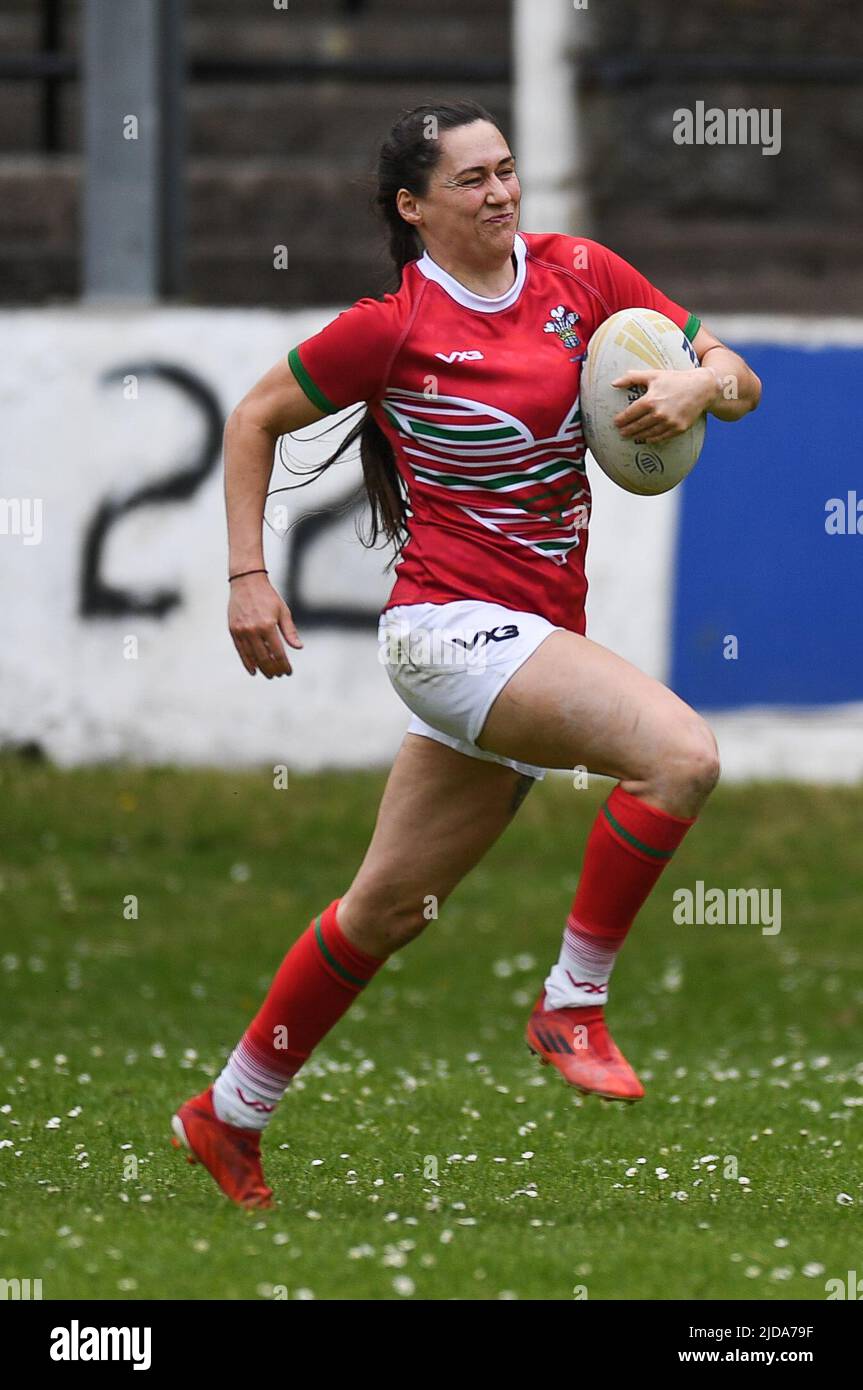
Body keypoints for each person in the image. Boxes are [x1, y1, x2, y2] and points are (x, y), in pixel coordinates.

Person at [171, 100, 762, 1208]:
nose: (500, 193)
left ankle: (228, 1111)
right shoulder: (389, 325)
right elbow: (252, 418)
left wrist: (699, 382)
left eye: (506, 171)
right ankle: (570, 1005)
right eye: (470, 181)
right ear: (412, 207)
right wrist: (247, 577)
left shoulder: (579, 273)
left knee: (383, 910)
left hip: (531, 639)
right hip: (447, 632)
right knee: (679, 756)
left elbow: (735, 375)